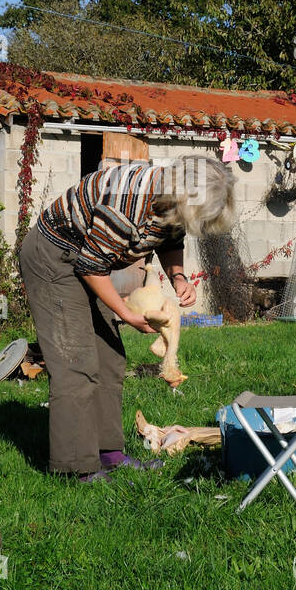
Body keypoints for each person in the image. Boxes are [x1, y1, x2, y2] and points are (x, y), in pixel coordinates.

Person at [18, 154, 237, 481]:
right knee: (76, 362)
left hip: (89, 261)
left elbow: (171, 237)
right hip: (54, 260)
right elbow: (90, 268)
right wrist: (127, 315)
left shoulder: (171, 198)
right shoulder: (125, 202)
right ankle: (77, 467)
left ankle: (109, 454)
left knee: (110, 359)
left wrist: (178, 278)